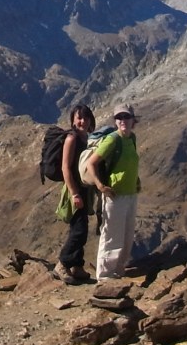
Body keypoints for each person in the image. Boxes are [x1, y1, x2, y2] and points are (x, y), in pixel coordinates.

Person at [91, 104, 140, 280]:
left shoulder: (131, 138)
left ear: (133, 120)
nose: (123, 121)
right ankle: (104, 277)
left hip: (131, 194)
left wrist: (136, 182)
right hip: (115, 196)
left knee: (127, 236)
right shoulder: (112, 139)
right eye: (119, 118)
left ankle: (117, 273)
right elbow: (92, 163)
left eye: (126, 117)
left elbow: (130, 164)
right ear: (115, 121)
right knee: (112, 237)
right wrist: (100, 186)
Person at [53, 104, 96, 284]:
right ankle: (62, 264)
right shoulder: (72, 138)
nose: (82, 121)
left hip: (84, 189)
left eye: (85, 118)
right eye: (79, 118)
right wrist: (74, 193)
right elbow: (65, 167)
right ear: (72, 120)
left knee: (80, 226)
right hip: (75, 190)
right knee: (80, 230)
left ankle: (77, 266)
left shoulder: (86, 138)